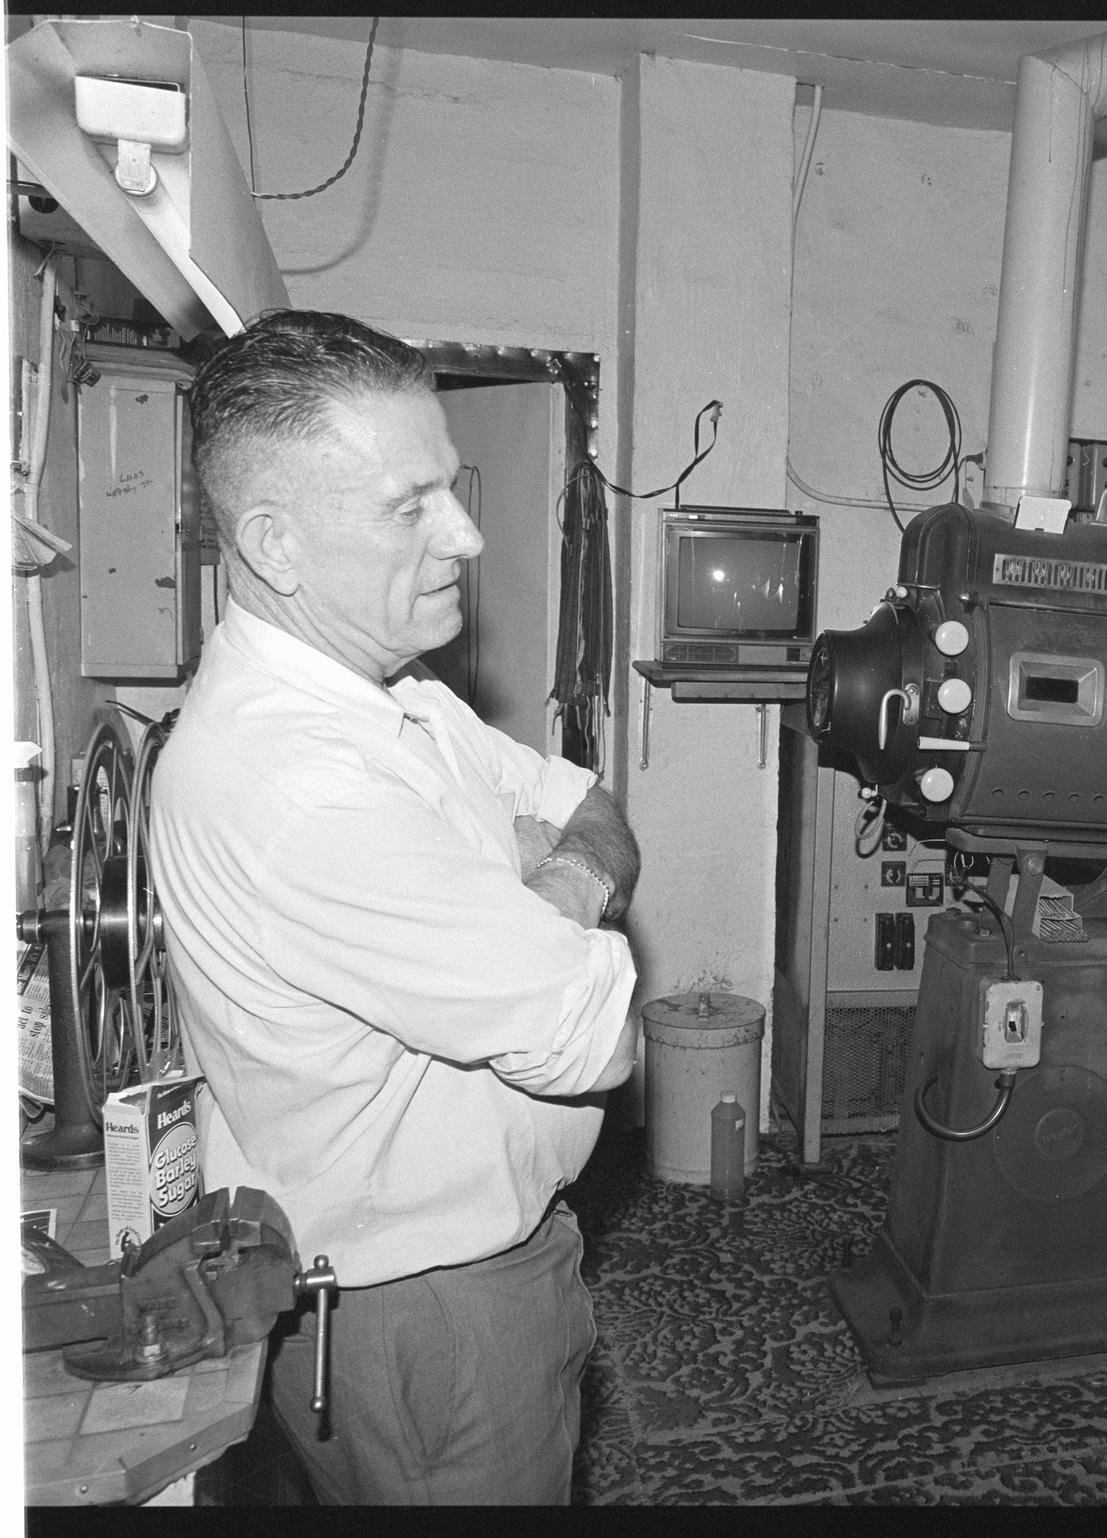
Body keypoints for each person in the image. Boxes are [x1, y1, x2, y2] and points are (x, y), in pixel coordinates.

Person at [150, 309, 640, 1505]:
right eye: (409, 502)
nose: (466, 533)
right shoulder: (301, 784)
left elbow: (598, 810)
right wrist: (556, 903)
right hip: (428, 1317)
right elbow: (606, 1036)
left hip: (474, 1275)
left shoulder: (392, 700)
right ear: (274, 542)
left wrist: (550, 888)